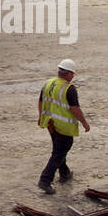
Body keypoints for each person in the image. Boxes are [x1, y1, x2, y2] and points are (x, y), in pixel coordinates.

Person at [37, 58, 90, 194]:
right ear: (68, 74)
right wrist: (84, 122)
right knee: (60, 151)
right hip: (63, 126)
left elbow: (41, 101)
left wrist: (40, 116)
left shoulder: (48, 83)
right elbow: (75, 109)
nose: (73, 76)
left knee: (59, 149)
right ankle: (45, 180)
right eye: (73, 74)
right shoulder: (69, 88)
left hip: (50, 123)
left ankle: (65, 173)